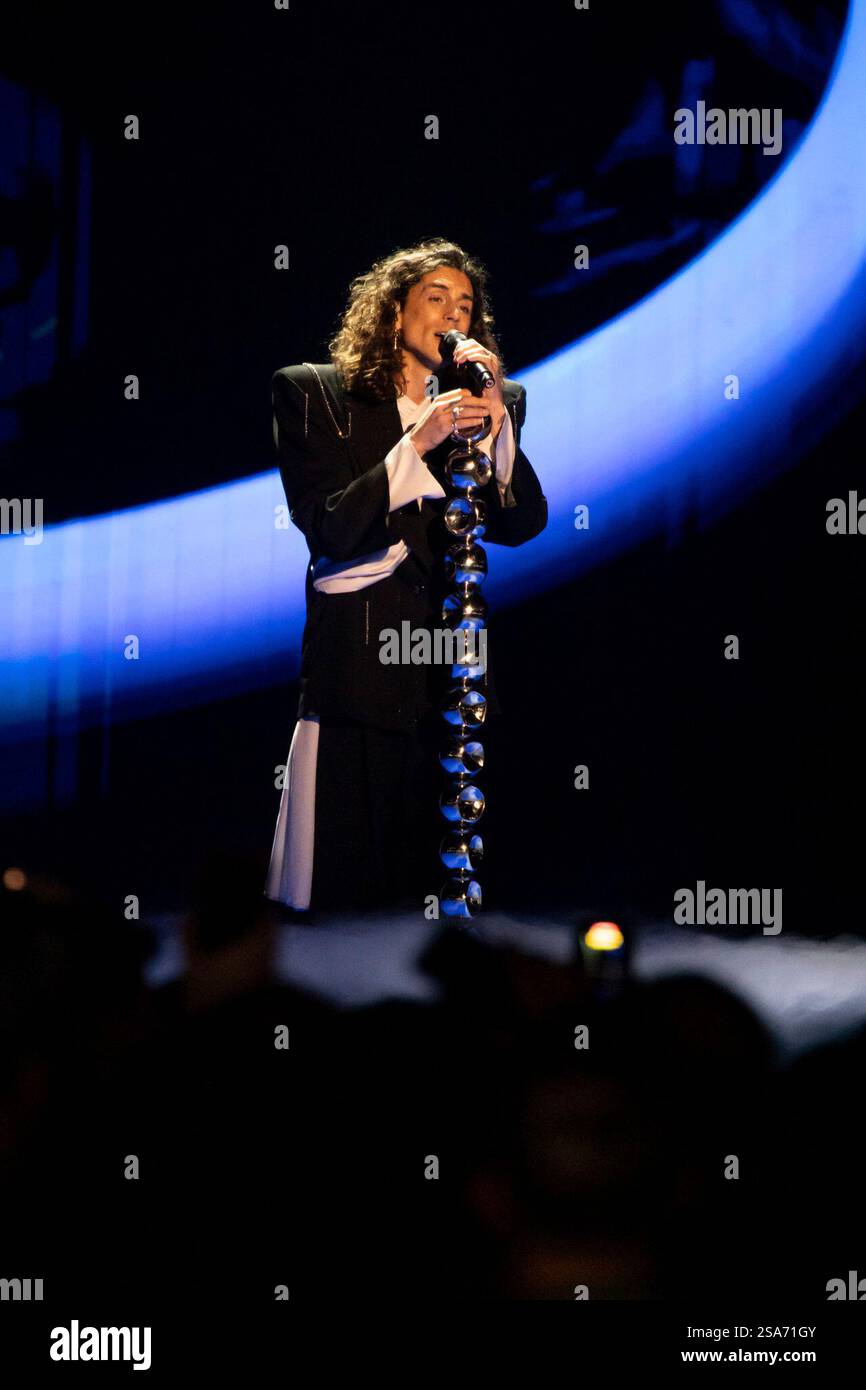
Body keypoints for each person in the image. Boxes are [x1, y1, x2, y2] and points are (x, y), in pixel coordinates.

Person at [264, 238, 547, 917]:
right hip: (357, 671)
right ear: (394, 315)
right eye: (436, 298)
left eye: (467, 305)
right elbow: (329, 524)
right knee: (343, 888)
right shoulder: (315, 394)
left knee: (435, 885)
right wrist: (417, 440)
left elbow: (522, 523)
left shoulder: (492, 401)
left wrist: (498, 427)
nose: (455, 314)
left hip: (448, 671)